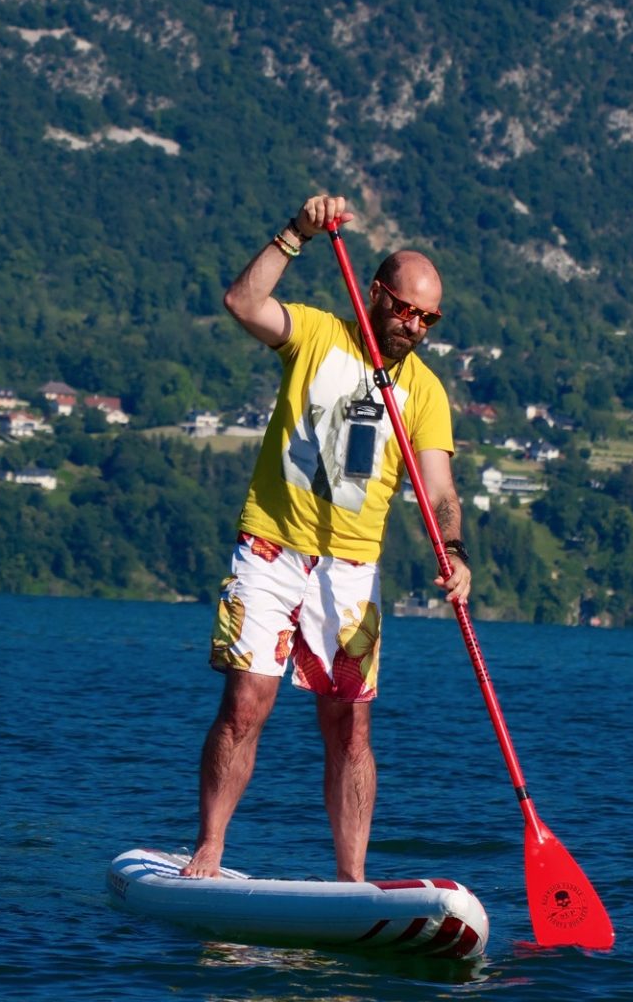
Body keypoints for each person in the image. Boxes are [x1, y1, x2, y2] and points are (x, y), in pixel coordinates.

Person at [181, 193, 471, 881]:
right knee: (248, 701)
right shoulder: (316, 334)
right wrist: (296, 234)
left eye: (429, 318)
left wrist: (453, 552)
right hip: (273, 546)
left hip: (351, 569)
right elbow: (242, 303)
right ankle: (211, 848)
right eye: (405, 309)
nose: (415, 326)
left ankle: (351, 880)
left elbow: (440, 493)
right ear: (376, 293)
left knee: (351, 726)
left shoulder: (425, 392)